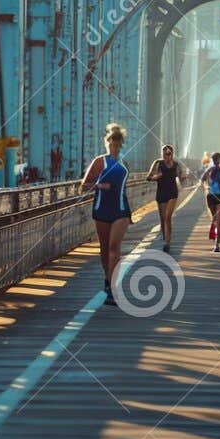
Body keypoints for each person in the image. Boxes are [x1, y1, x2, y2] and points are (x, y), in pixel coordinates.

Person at [81, 123, 132, 305]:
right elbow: (83, 187)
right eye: (111, 143)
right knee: (104, 250)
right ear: (106, 143)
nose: (114, 147)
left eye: (117, 144)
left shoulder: (124, 163)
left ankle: (113, 288)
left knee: (113, 248)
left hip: (121, 210)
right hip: (102, 209)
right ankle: (108, 279)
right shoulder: (99, 161)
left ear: (121, 145)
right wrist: (100, 186)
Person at [147, 144, 184, 253]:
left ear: (172, 154)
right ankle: (165, 237)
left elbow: (181, 177)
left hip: (172, 193)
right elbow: (148, 177)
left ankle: (167, 242)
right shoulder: (158, 163)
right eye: (165, 153)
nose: (167, 156)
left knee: (168, 217)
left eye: (169, 153)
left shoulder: (177, 165)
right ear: (162, 154)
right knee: (163, 219)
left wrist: (182, 178)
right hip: (161, 193)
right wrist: (156, 177)